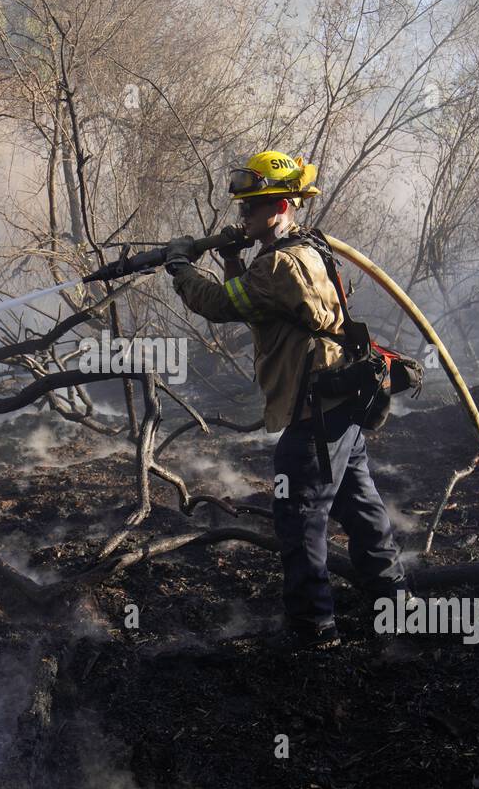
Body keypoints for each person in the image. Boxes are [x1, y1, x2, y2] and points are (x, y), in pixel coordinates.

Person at [164, 150, 410, 650]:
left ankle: (313, 629)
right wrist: (232, 257)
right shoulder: (299, 251)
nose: (241, 217)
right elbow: (254, 307)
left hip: (316, 414)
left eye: (249, 208)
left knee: (297, 515)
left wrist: (179, 267)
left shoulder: (281, 263)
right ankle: (394, 606)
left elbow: (217, 305)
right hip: (336, 410)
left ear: (278, 205)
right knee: (358, 507)